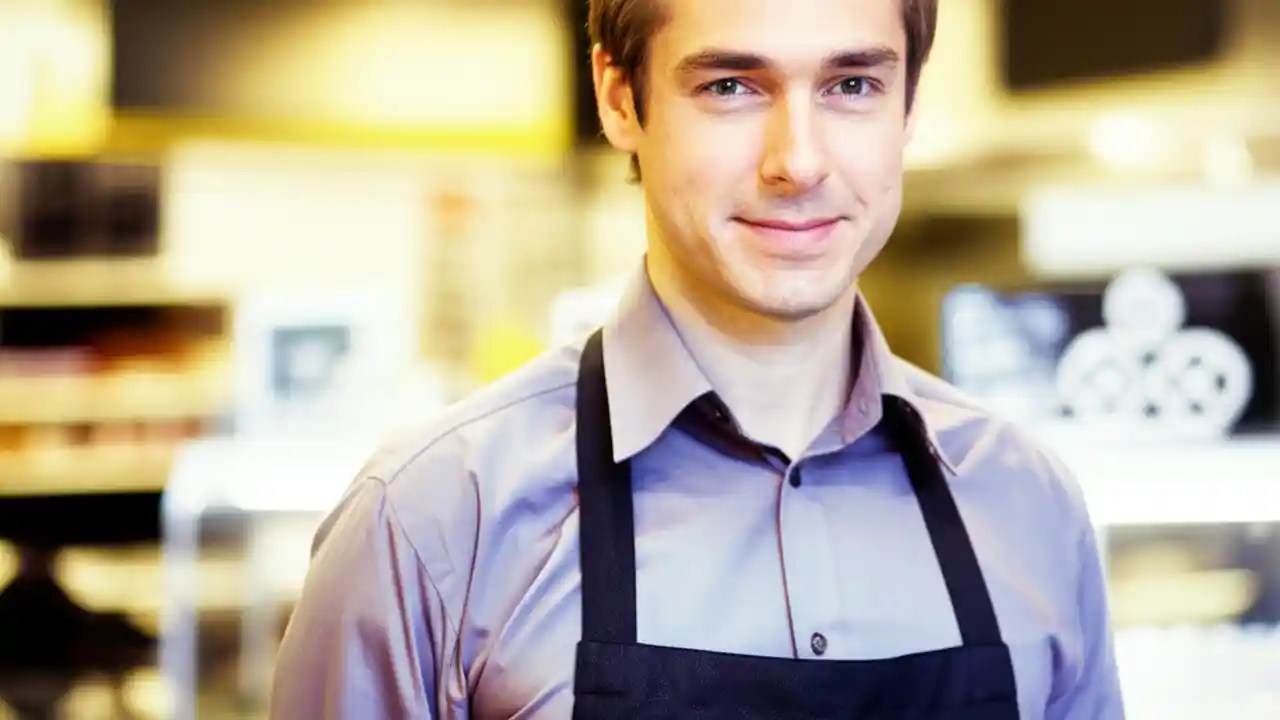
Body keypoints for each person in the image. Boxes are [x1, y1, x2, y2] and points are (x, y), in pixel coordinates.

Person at [270, 0, 1126, 717]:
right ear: (618, 96)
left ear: (908, 106)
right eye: (731, 86)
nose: (798, 162)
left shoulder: (1028, 505)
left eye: (852, 85)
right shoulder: (431, 521)